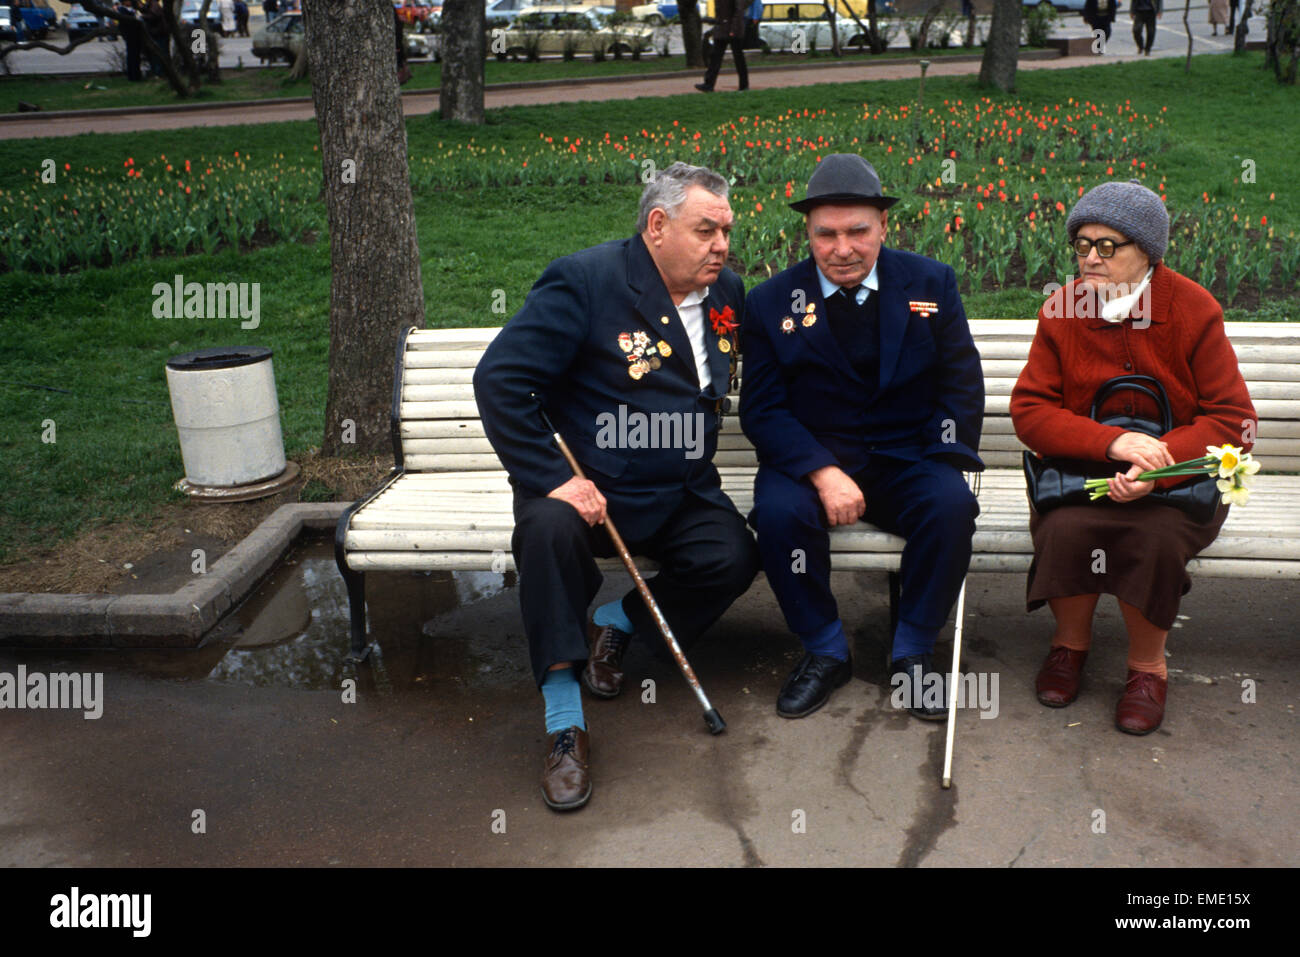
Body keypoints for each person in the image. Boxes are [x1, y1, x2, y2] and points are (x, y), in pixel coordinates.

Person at [473, 162, 760, 811]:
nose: (722, 244)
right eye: (706, 229)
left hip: (678, 485)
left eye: (726, 230)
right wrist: (554, 478)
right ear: (657, 226)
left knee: (735, 555)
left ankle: (620, 618)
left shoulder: (727, 294)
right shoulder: (587, 281)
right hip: (587, 487)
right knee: (544, 531)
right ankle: (564, 721)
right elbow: (499, 380)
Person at [740, 154, 984, 720]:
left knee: (950, 507)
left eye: (857, 231)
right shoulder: (772, 302)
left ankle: (913, 650)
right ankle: (824, 649)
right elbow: (764, 408)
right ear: (808, 232)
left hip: (907, 455)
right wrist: (822, 472)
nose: (842, 248)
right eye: (826, 234)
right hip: (812, 456)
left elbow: (960, 383)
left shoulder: (931, 283)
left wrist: (945, 457)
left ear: (883, 226)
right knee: (779, 517)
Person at [1010, 180, 1256, 735]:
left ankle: (1147, 668)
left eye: (1108, 245)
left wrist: (1161, 468)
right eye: (1082, 245)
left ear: (1147, 250)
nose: (1090, 258)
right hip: (1085, 472)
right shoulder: (1063, 309)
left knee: (1154, 537)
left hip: (1178, 481)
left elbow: (1234, 422)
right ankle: (1068, 647)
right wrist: (1111, 443)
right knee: (1066, 527)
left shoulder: (1192, 309)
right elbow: (1031, 410)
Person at [696, 0, 748, 92]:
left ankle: (744, 85)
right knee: (715, 57)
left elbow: (739, 10)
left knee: (738, 58)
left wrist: (733, 29)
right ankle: (709, 84)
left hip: (732, 30)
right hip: (723, 29)